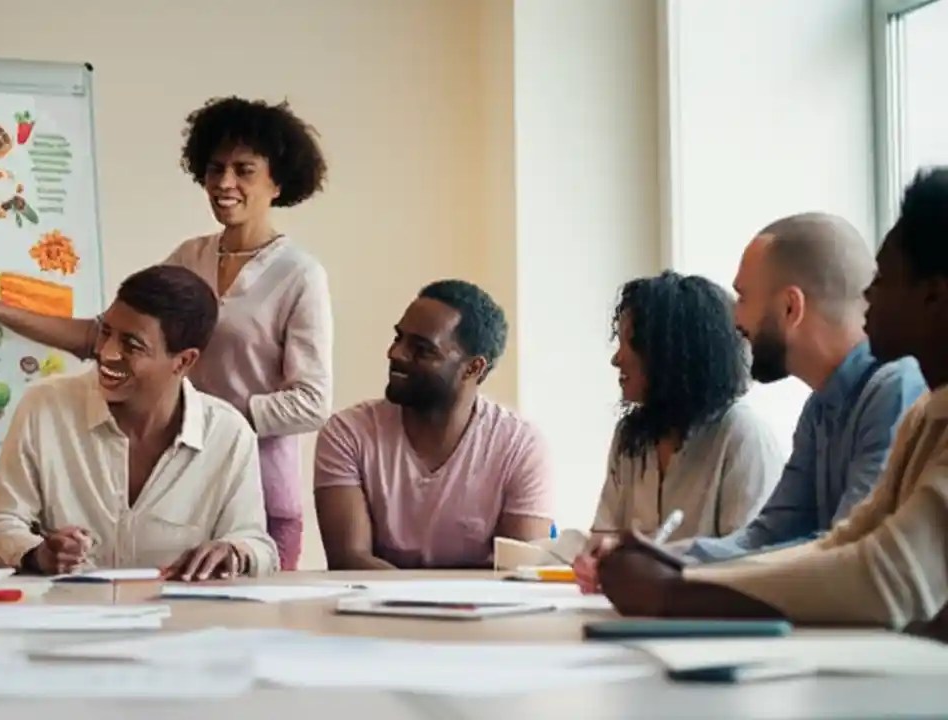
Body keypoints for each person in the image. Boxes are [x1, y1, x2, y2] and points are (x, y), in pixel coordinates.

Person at [0, 97, 332, 571]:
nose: (224, 184)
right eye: (215, 169)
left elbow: (312, 401)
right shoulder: (190, 257)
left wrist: (201, 420)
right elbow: (110, 335)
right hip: (149, 449)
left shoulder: (299, 274)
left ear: (277, 180)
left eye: (244, 170)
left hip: (253, 488)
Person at [597, 167, 948, 635]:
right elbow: (833, 540)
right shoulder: (905, 413)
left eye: (883, 281)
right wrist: (676, 570)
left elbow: (881, 572)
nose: (865, 297)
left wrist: (675, 591)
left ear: (933, 296)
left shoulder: (898, 392)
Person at [0, 265, 279, 580]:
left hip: (179, 621)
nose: (106, 353)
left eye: (131, 345)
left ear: (184, 361)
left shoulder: (228, 434)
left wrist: (235, 552)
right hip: (67, 618)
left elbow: (259, 546)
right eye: (106, 332)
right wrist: (36, 553)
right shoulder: (44, 407)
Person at [313, 280, 553, 570]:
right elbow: (349, 560)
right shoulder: (348, 433)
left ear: (473, 368)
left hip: (485, 613)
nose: (396, 354)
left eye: (422, 349)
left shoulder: (520, 446)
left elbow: (517, 572)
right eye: (398, 338)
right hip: (378, 613)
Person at [587, 272, 783, 544]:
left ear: (669, 353)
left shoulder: (742, 436)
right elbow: (603, 538)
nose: (616, 359)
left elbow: (750, 560)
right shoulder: (630, 436)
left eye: (628, 343)